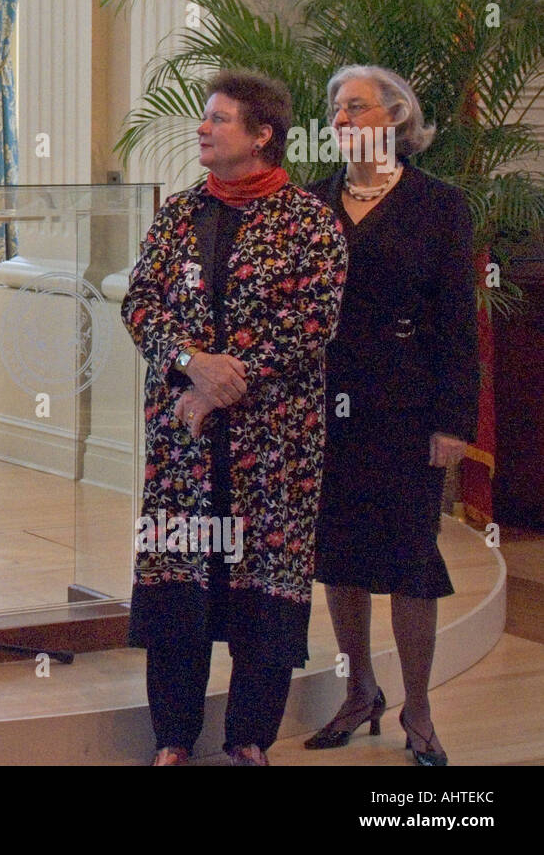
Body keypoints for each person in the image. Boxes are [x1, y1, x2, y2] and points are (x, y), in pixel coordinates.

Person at [121, 70, 348, 766]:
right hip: (184, 445)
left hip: (275, 444)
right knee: (180, 589)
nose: (202, 128)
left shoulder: (310, 220)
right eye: (204, 118)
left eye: (218, 119)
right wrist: (192, 362)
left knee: (265, 591)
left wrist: (222, 382)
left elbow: (313, 318)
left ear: (261, 136)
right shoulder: (179, 214)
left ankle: (249, 735)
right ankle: (173, 738)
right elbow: (140, 303)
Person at [303, 66, 477, 766]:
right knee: (339, 552)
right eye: (336, 110)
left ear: (395, 117)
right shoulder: (313, 203)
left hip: (408, 404)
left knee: (409, 559)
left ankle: (421, 713)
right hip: (328, 401)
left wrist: (455, 421)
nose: (341, 120)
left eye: (355, 107)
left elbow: (458, 322)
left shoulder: (440, 205)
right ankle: (360, 692)